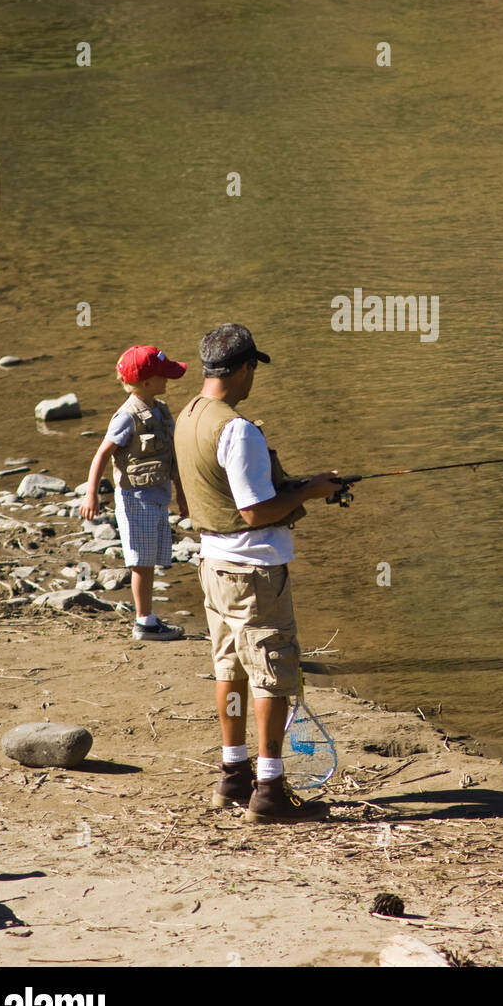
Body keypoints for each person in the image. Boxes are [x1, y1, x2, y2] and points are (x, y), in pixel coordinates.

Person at [173, 323, 341, 825]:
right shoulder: (236, 428)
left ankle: (234, 774)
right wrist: (310, 492)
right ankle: (269, 789)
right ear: (244, 368)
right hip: (253, 570)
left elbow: (196, 496)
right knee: (271, 670)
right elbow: (254, 511)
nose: (252, 381)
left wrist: (296, 486)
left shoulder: (187, 416)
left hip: (212, 564)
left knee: (229, 667)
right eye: (253, 371)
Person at [80, 345, 188, 642]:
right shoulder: (127, 416)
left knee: (150, 560)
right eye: (163, 376)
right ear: (146, 382)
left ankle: (148, 617)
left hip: (158, 496)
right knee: (141, 561)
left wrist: (182, 494)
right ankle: (144, 622)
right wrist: (91, 493)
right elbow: (102, 454)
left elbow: (172, 457)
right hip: (134, 499)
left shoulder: (160, 410)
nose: (168, 381)